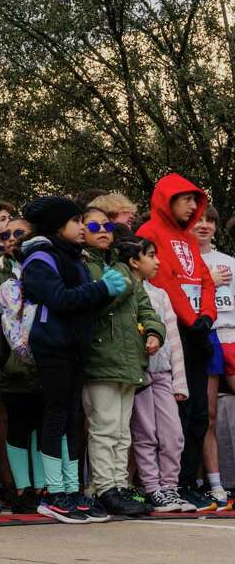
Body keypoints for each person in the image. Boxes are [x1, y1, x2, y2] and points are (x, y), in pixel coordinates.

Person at [21, 196, 122, 524]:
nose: (82, 227)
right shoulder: (40, 258)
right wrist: (101, 289)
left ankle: (71, 487)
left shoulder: (74, 257)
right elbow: (60, 299)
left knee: (72, 418)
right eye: (76, 221)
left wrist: (102, 292)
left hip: (75, 346)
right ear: (57, 224)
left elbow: (82, 302)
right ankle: (53, 492)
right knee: (55, 415)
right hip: (52, 345)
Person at [137, 175, 218, 510]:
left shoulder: (186, 237)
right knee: (178, 409)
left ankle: (187, 481)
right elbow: (164, 281)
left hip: (199, 328)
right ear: (168, 199)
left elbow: (205, 279)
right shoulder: (149, 232)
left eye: (195, 200)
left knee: (199, 410)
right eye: (186, 200)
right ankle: (169, 483)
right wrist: (191, 320)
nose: (192, 207)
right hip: (173, 329)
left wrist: (207, 316)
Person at [79, 212, 164, 517]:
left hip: (128, 362)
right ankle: (103, 489)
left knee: (121, 431)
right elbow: (93, 305)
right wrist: (120, 282)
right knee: (104, 428)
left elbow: (146, 308)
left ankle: (119, 485)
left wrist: (154, 332)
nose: (102, 231)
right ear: (81, 230)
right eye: (94, 226)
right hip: (99, 359)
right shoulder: (83, 266)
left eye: (107, 226)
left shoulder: (121, 268)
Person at [121, 236, 193, 512]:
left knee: (174, 434)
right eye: (151, 255)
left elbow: (173, 339)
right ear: (133, 262)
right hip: (138, 376)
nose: (158, 262)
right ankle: (152, 488)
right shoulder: (123, 292)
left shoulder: (160, 295)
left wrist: (180, 382)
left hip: (162, 374)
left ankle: (170, 486)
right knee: (145, 433)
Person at [0, 217, 45, 514]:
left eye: (19, 233)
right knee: (17, 426)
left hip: (44, 362)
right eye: (5, 234)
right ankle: (19, 488)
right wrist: (15, 296)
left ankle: (42, 487)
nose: (11, 238)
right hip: (12, 363)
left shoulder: (47, 268)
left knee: (41, 428)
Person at [190, 204, 235, 509]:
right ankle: (214, 484)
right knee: (206, 414)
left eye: (210, 221)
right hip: (204, 337)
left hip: (231, 337)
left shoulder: (228, 262)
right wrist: (207, 280)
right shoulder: (179, 261)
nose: (204, 225)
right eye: (198, 220)